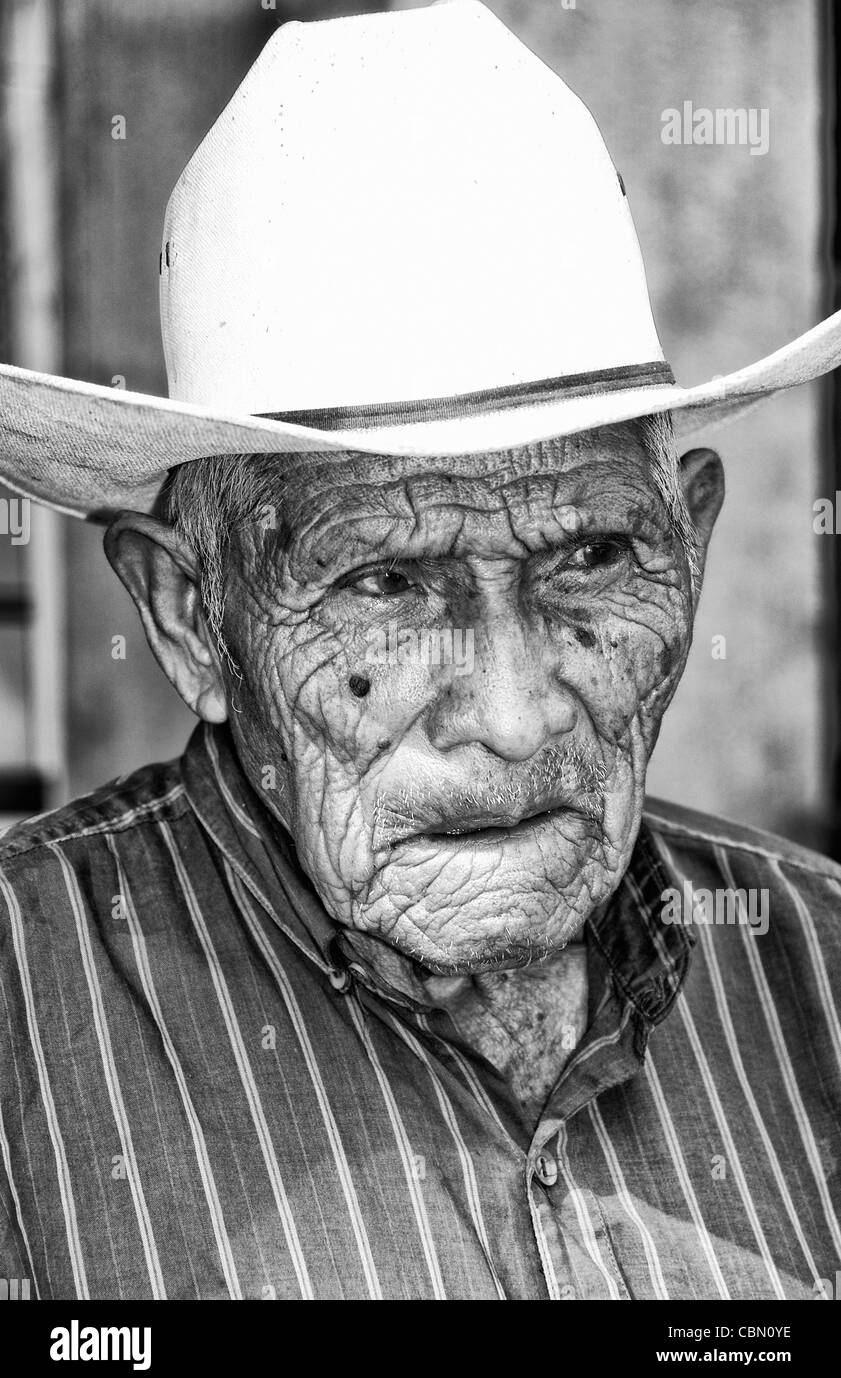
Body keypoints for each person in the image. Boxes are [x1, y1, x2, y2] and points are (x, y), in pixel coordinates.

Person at [1, 0, 839, 1300]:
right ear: (186, 615)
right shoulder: (22, 1009)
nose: (512, 717)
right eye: (388, 582)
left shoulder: (824, 974)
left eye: (594, 558)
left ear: (693, 540)